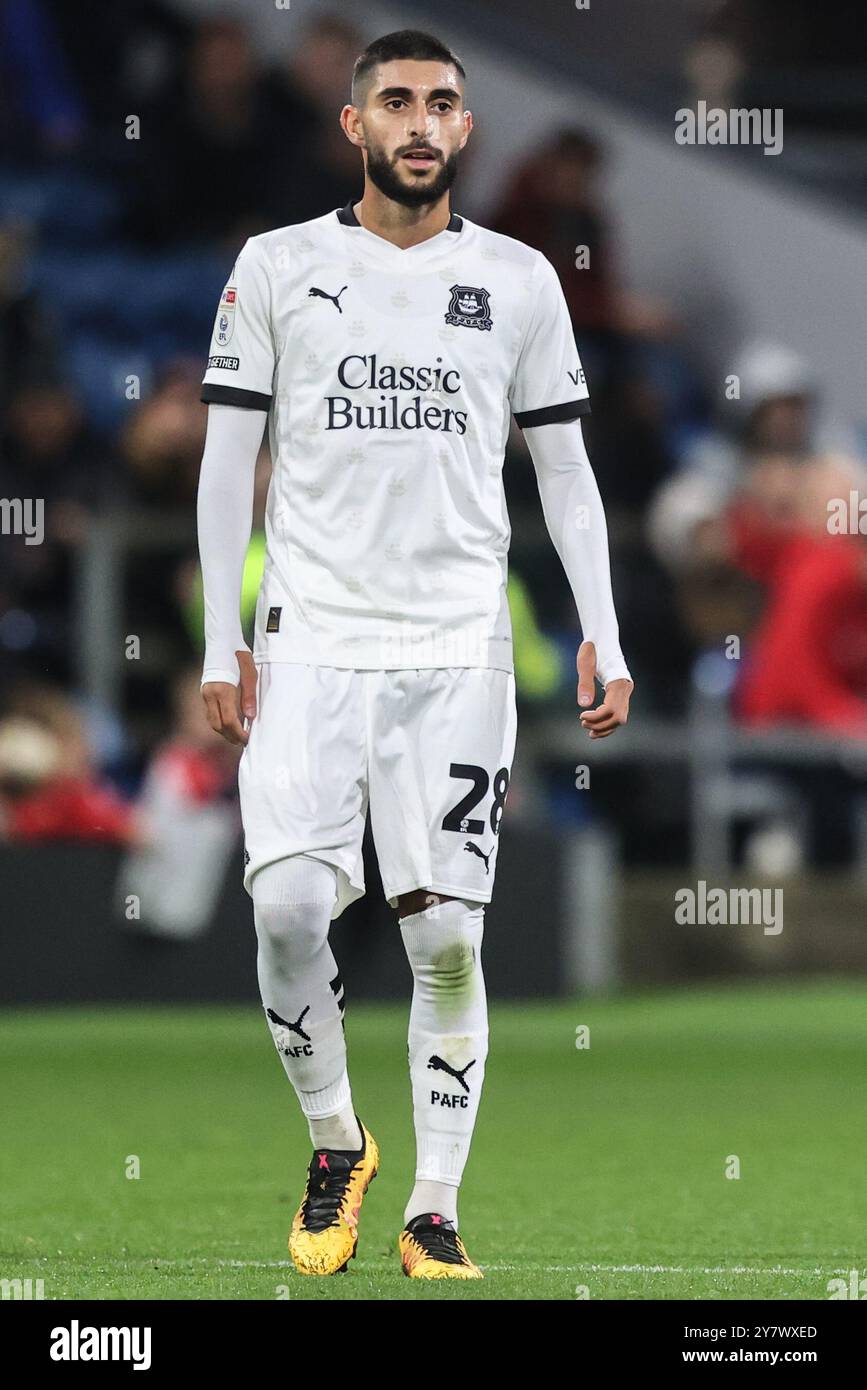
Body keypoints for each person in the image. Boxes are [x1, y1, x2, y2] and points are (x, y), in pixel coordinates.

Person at [196, 29, 633, 1281]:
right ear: (355, 125)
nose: (421, 121)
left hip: (456, 650)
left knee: (445, 937)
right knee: (286, 910)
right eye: (396, 100)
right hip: (313, 643)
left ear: (467, 125)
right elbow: (230, 462)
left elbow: (566, 469)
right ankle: (339, 1139)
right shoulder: (278, 266)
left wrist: (601, 628)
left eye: (443, 101)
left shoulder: (520, 279)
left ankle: (433, 1205)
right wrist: (224, 638)